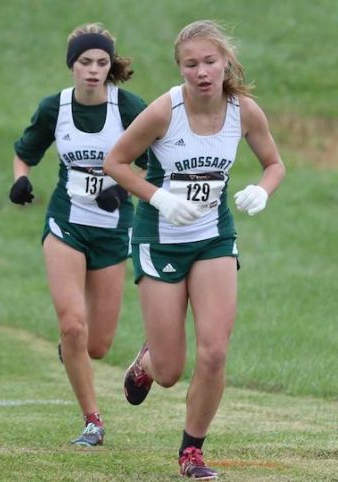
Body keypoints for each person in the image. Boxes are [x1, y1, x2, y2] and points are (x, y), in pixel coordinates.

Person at [103, 20, 286, 479]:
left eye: (210, 61)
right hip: (159, 237)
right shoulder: (166, 111)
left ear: (225, 62)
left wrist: (263, 190)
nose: (202, 72)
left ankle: (192, 452)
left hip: (214, 239)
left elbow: (274, 164)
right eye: (191, 64)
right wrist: (161, 198)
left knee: (215, 352)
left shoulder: (244, 110)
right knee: (169, 370)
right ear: (180, 68)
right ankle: (148, 361)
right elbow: (116, 162)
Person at [9, 23, 150, 447]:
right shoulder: (56, 108)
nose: (93, 70)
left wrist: (119, 186)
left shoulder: (129, 108)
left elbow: (155, 164)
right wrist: (20, 180)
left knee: (98, 345)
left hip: (112, 229)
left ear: (111, 66)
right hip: (65, 222)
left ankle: (80, 351)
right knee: (73, 326)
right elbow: (25, 151)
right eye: (85, 62)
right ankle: (93, 422)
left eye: (101, 62)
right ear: (72, 65)